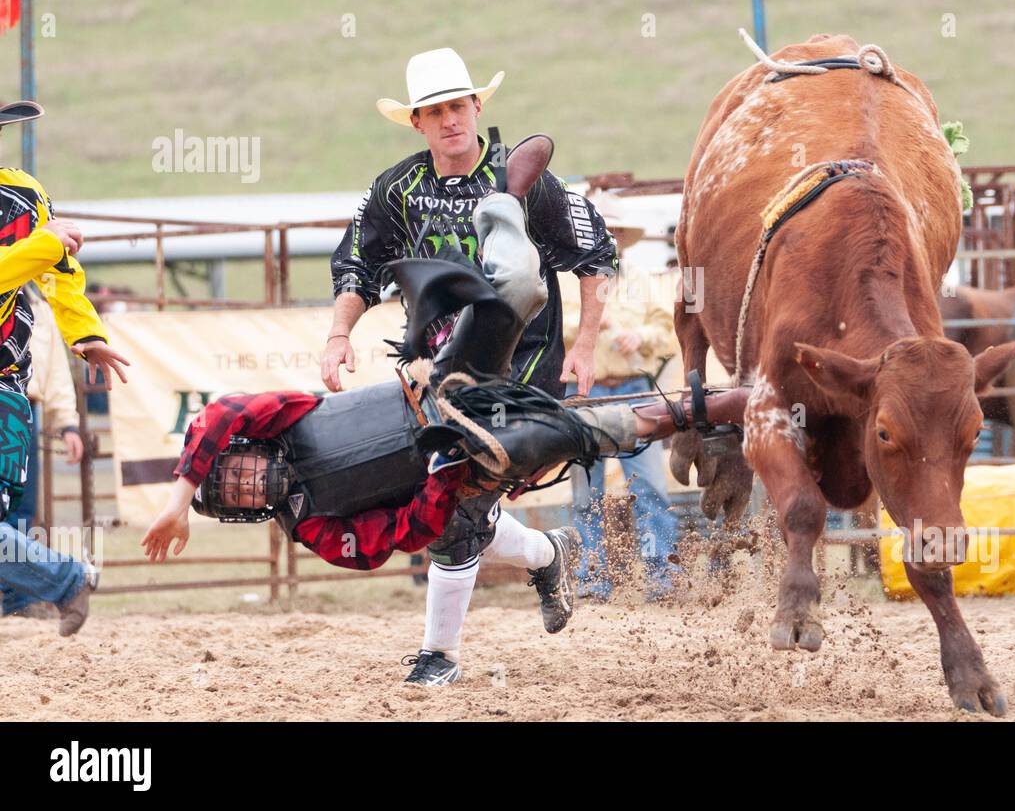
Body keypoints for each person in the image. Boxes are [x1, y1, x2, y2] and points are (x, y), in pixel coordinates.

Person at [144, 206, 749, 685]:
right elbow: (400, 533)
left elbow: (222, 411)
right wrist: (442, 473)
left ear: (243, 451)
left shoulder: (285, 421)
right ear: (248, 511)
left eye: (237, 471)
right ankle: (718, 405)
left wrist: (179, 498)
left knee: (512, 295)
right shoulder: (314, 527)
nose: (250, 482)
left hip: (444, 385)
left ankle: (504, 205)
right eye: (240, 493)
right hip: (471, 465)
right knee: (581, 439)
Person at [323, 47, 618, 400]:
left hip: (529, 373)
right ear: (417, 122)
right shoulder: (397, 188)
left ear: (476, 106)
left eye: (457, 107)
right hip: (440, 377)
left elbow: (597, 252)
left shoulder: (521, 174)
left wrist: (585, 345)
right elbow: (356, 264)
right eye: (435, 112)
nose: (449, 120)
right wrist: (339, 334)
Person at [0, 99, 130, 636]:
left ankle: (61, 579)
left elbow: (61, 275)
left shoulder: (23, 194)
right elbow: (46, 257)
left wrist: (86, 333)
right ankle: (62, 578)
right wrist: (41, 245)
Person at [561, 192, 680, 602]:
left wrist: (640, 336)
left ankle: (660, 574)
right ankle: (593, 577)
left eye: (614, 231)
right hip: (586, 392)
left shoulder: (642, 282)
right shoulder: (566, 279)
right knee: (586, 493)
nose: (609, 237)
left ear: (622, 238)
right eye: (602, 230)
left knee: (648, 487)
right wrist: (589, 322)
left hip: (634, 390)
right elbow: (554, 330)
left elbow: (666, 335)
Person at [2, 283, 86, 620]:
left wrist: (68, 423)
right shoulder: (34, 300)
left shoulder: (38, 302)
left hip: (20, 408)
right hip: (21, 408)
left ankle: (22, 600)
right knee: (15, 512)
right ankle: (56, 584)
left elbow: (56, 373)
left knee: (19, 510)